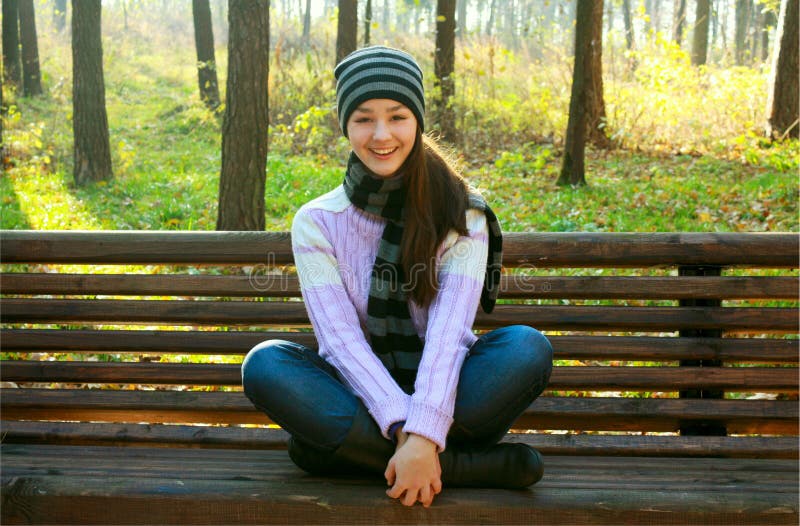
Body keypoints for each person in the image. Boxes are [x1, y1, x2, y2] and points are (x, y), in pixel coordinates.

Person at [242, 45, 553, 508]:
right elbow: (340, 341)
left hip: (451, 392)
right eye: (364, 118)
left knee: (527, 347)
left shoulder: (461, 212)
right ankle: (461, 466)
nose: (381, 134)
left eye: (397, 116)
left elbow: (449, 335)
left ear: (418, 123)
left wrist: (424, 429)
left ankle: (356, 455)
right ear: (345, 125)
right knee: (266, 364)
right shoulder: (318, 222)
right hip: (360, 396)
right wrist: (404, 427)